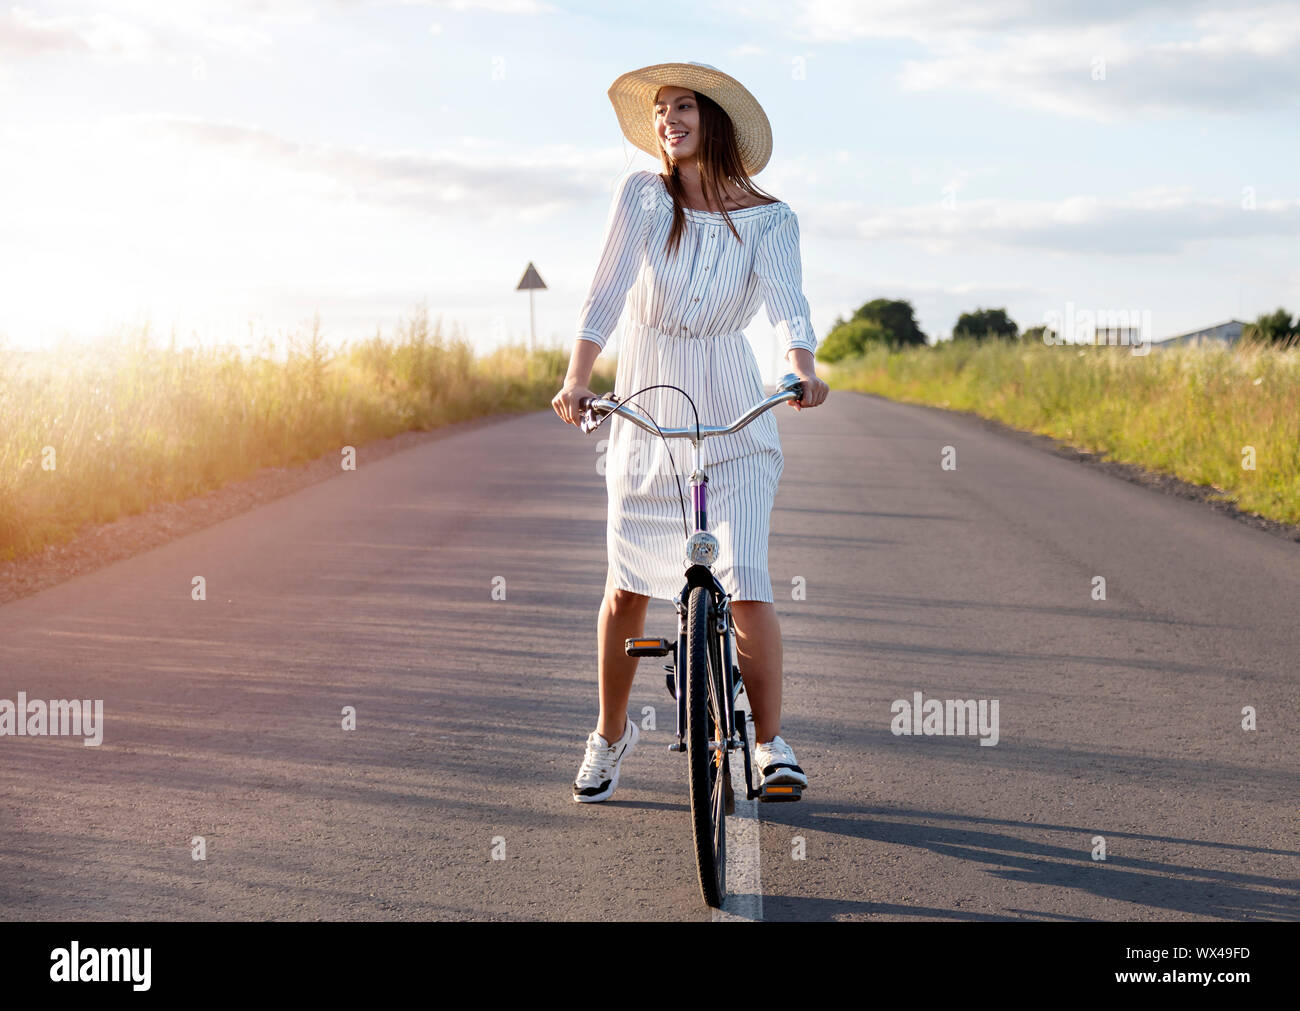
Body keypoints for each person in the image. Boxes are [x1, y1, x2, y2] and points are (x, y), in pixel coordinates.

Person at [551, 61, 828, 804]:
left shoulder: (770, 218)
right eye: (661, 110)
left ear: (715, 120)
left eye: (683, 107)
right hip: (649, 399)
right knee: (627, 591)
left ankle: (770, 744)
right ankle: (609, 735)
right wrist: (578, 378)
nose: (668, 120)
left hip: (731, 402)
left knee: (745, 583)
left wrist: (803, 369)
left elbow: (786, 304)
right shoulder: (644, 196)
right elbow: (605, 292)